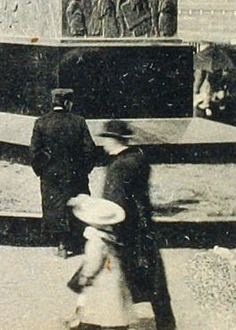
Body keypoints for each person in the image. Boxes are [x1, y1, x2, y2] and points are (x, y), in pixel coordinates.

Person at [97, 119, 176, 330]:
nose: (103, 143)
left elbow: (115, 204)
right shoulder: (139, 158)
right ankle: (166, 324)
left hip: (124, 231)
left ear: (115, 140)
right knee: (154, 281)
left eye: (106, 138)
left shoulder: (118, 166)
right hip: (144, 228)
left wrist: (103, 225)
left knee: (113, 279)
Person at [30, 88, 96, 257]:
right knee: (76, 205)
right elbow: (90, 150)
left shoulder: (41, 123)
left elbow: (34, 153)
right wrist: (83, 170)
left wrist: (43, 170)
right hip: (75, 174)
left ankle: (62, 245)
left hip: (51, 175)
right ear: (67, 103)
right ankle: (78, 242)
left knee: (55, 207)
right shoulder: (79, 121)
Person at [66, 195, 134, 330]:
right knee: (114, 308)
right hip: (113, 277)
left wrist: (86, 276)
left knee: (96, 307)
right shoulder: (110, 238)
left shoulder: (95, 241)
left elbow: (93, 261)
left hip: (101, 281)